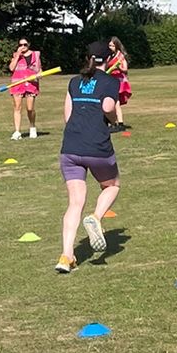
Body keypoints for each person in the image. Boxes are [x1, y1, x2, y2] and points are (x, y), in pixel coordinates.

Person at [55, 42, 122, 273]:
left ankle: (66, 256)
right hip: (97, 147)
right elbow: (108, 106)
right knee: (112, 185)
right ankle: (95, 217)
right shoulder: (110, 81)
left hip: (71, 147)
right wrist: (114, 120)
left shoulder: (74, 81)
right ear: (108, 60)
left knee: (75, 202)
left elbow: (67, 115)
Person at [8, 38, 43, 140]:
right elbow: (11, 68)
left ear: (29, 44)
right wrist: (17, 56)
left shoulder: (35, 55)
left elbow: (39, 69)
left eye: (25, 44)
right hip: (17, 84)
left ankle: (32, 126)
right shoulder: (16, 55)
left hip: (31, 84)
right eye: (20, 45)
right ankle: (17, 131)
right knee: (17, 107)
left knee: (30, 108)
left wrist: (39, 74)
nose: (22, 47)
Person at [105, 36, 133, 129]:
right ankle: (114, 122)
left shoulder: (120, 56)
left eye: (112, 46)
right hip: (109, 80)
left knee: (116, 102)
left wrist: (119, 68)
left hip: (118, 81)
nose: (110, 47)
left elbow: (125, 69)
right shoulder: (109, 56)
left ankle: (118, 123)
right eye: (109, 45)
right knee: (112, 102)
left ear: (116, 46)